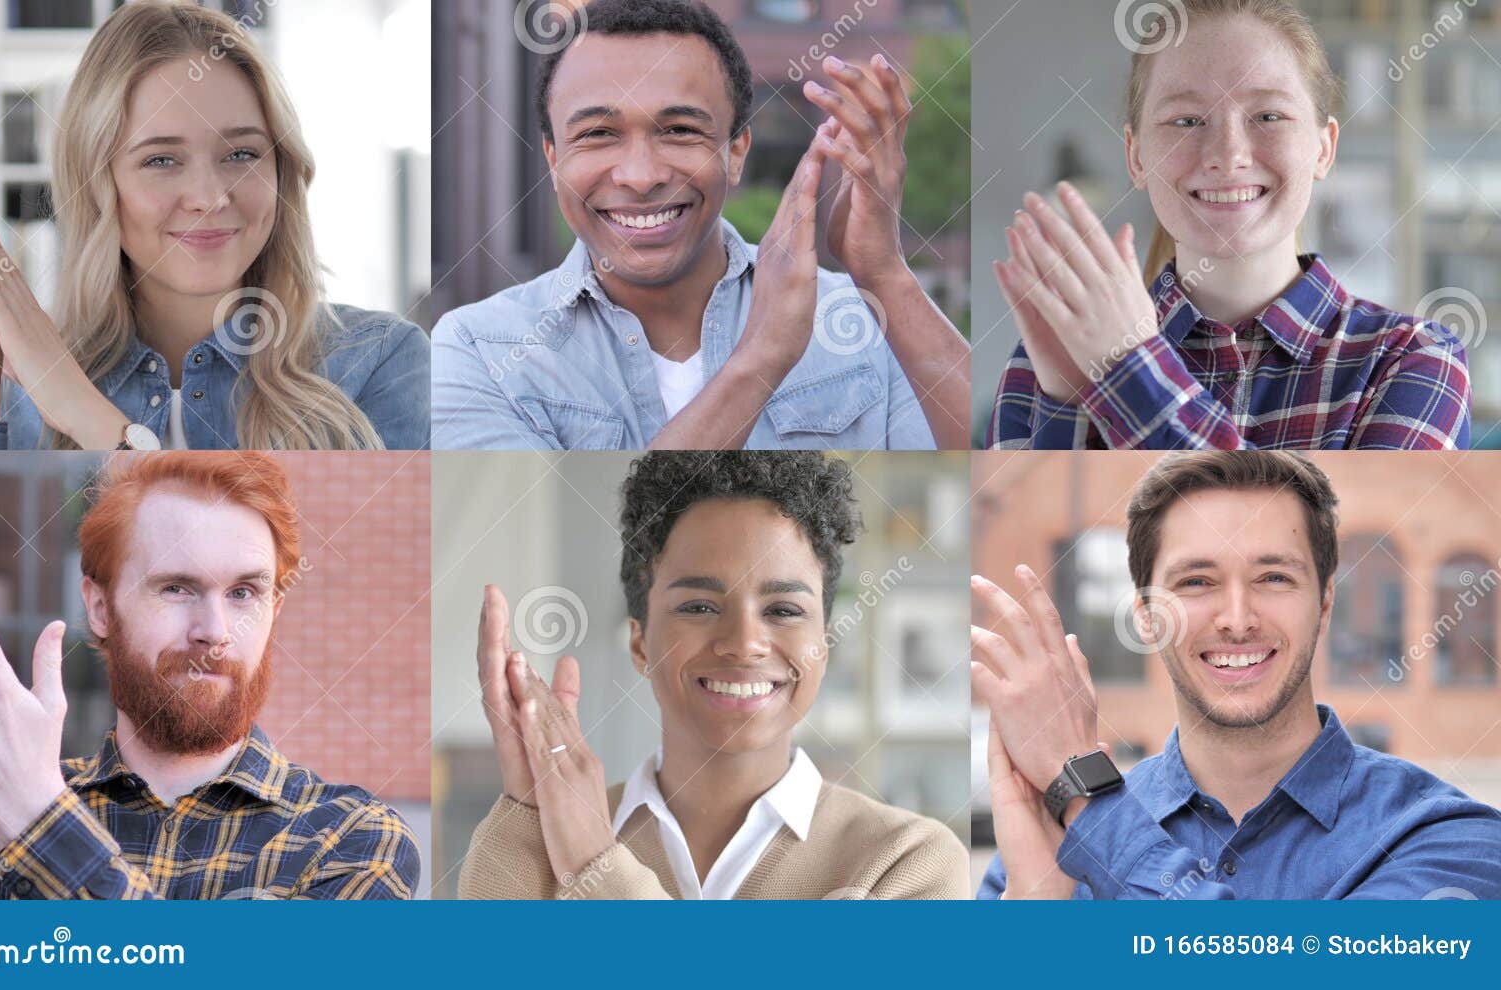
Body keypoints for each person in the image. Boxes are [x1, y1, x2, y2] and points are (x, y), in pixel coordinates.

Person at [431, 0, 971, 451]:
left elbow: (995, 464)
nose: (641, 176)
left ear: (736, 152)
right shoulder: (478, 348)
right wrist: (762, 356)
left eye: (680, 130)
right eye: (597, 134)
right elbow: (600, 536)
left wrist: (882, 273)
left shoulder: (863, 321)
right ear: (553, 160)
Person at [971, 451, 1501, 899]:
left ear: (1324, 603)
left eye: (1273, 577)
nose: (1238, 619)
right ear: (1147, 616)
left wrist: (1088, 802)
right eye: (1197, 582)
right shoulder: (1037, 859)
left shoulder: (1448, 839)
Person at [0, 452, 420, 899]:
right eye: (176, 588)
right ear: (100, 608)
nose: (214, 632)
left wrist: (38, 815)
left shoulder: (352, 838)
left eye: (244, 593)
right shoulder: (1, 812)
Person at [460, 451, 970, 898]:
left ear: (825, 645)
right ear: (640, 643)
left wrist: (597, 865)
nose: (744, 643)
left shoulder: (906, 861)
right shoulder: (539, 834)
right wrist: (529, 812)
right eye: (700, 606)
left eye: (784, 611)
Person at [0, 0, 429, 450]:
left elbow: (338, 554)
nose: (210, 198)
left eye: (242, 154)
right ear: (98, 184)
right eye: (161, 160)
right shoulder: (31, 376)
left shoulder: (380, 361)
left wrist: (86, 415)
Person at [986, 0, 1469, 450]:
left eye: (1268, 115)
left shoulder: (1415, 359)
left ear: (1324, 149)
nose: (1227, 156)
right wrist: (1067, 407)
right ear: (1135, 156)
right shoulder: (1050, 356)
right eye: (1187, 121)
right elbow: (1036, 536)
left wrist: (1131, 369)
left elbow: (1344, 538)